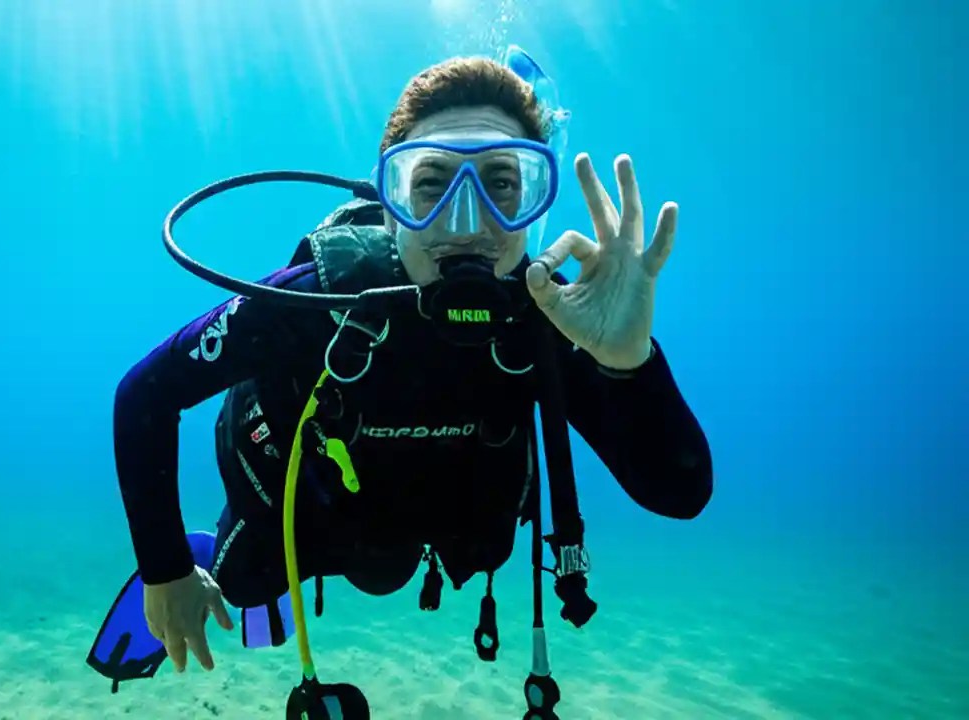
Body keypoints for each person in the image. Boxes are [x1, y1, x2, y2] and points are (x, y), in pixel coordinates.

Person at [87, 45, 712, 718]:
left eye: (502, 183)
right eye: (431, 182)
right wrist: (166, 570)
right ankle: (222, 557)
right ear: (389, 206)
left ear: (534, 205)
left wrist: (628, 363)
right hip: (313, 513)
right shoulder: (321, 298)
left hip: (436, 521)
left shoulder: (553, 319)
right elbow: (145, 393)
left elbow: (679, 492)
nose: (467, 222)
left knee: (393, 570)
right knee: (245, 587)